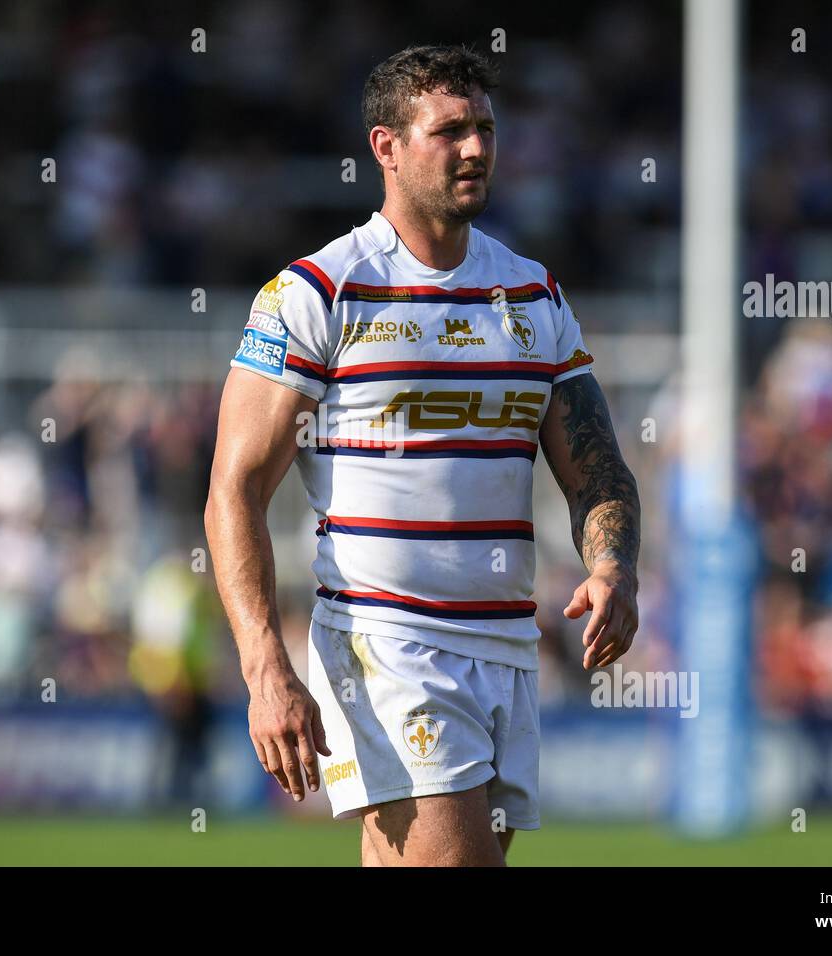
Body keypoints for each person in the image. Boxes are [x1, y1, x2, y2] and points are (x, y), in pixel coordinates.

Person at [204, 44, 640, 866]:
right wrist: (265, 666)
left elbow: (598, 468)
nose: (475, 148)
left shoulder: (533, 293)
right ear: (387, 147)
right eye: (449, 131)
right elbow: (234, 488)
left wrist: (614, 566)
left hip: (506, 645)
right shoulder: (316, 292)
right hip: (387, 643)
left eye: (484, 128)